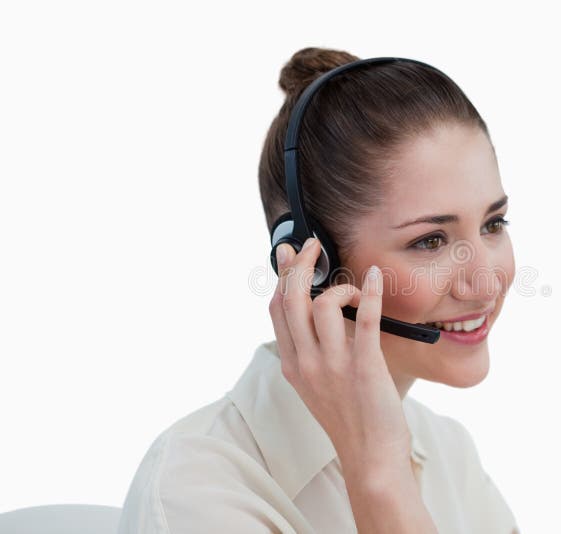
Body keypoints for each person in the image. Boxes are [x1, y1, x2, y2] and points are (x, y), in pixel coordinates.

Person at [117, 46, 520, 533]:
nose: (485, 281)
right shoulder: (196, 491)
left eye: (494, 223)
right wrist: (378, 478)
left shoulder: (450, 455)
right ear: (315, 265)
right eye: (430, 241)